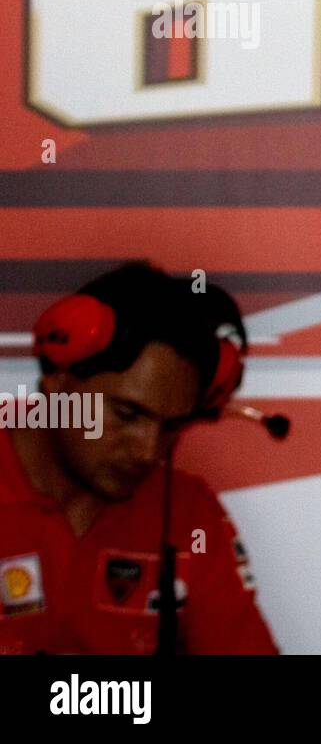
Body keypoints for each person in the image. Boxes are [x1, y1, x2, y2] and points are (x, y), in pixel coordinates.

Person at [0, 262, 278, 654]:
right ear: (60, 381)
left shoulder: (187, 515)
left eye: (171, 427)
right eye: (127, 414)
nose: (149, 451)